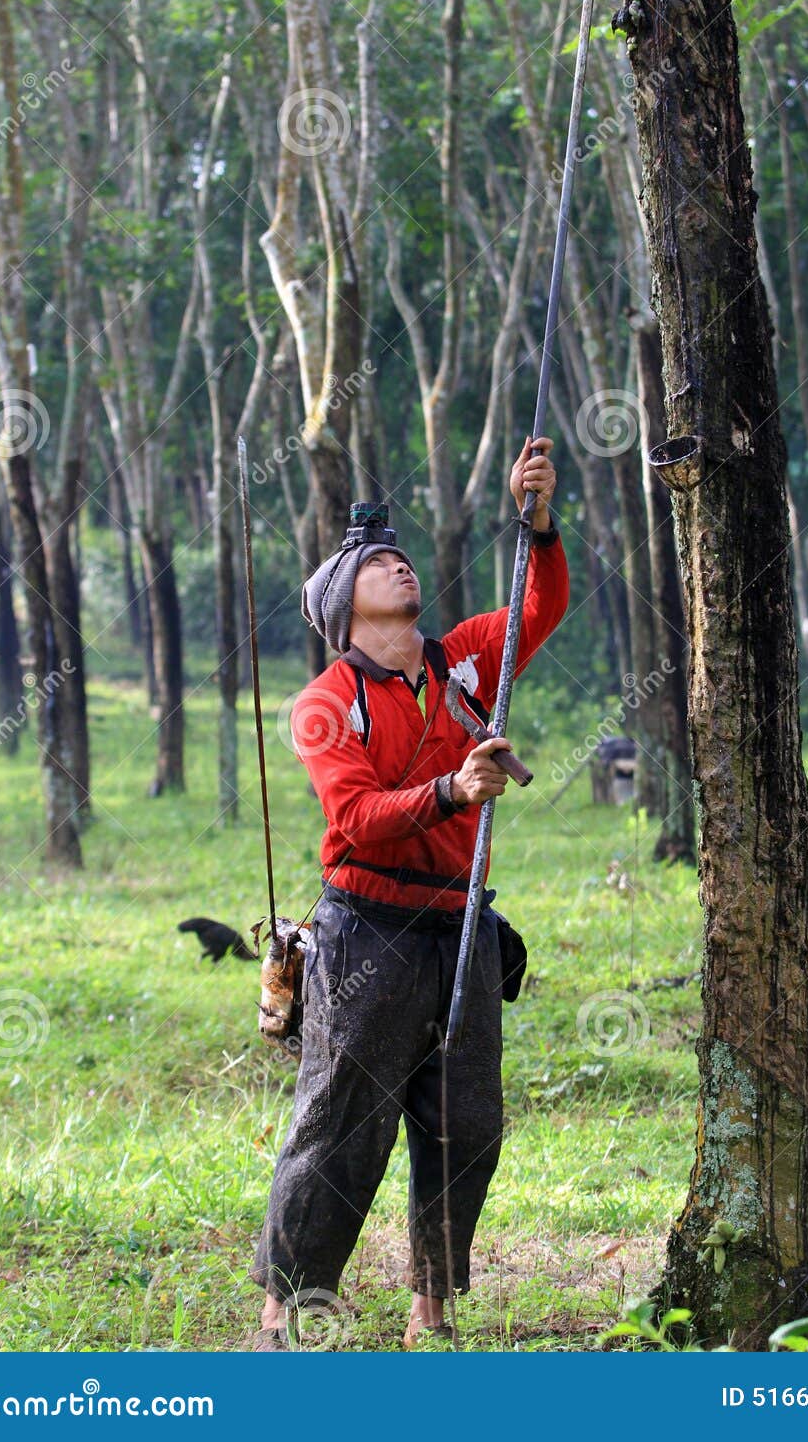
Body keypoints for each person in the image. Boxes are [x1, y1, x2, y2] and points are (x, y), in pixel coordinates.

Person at [248, 435, 569, 1349]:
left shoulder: (461, 663)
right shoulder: (326, 700)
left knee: (464, 1120)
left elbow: (537, 610)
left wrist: (537, 524)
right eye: (380, 562)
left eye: (403, 556)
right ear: (344, 604)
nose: (402, 565)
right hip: (365, 930)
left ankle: (435, 1305)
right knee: (344, 1120)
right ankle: (287, 1306)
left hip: (460, 927)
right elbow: (352, 816)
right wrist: (451, 792)